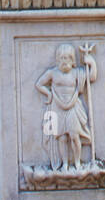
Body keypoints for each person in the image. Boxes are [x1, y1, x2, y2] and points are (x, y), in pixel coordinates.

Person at [35, 42, 97, 172]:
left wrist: (91, 63)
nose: (65, 61)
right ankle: (65, 164)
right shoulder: (52, 73)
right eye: (62, 58)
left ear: (72, 59)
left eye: (68, 58)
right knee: (61, 138)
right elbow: (39, 84)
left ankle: (77, 162)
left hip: (73, 107)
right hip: (57, 108)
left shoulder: (77, 73)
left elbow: (91, 77)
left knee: (74, 136)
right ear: (58, 59)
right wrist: (49, 94)